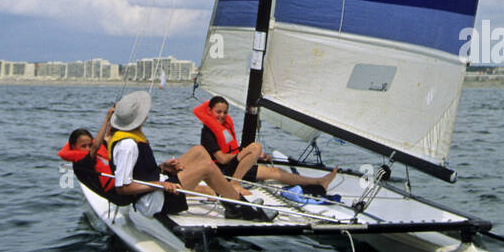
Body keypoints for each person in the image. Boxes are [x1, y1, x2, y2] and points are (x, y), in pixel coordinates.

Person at [108, 91, 272, 220]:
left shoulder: (130, 138)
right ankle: (242, 209)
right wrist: (159, 184)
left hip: (157, 188)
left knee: (199, 151)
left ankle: (227, 197)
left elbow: (139, 172)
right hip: (153, 201)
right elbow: (122, 188)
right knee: (207, 168)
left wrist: (163, 167)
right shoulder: (128, 145)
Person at [194, 97, 340, 193]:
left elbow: (232, 153)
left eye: (225, 112)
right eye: (218, 112)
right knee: (256, 147)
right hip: (222, 171)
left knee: (275, 172)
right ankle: (234, 184)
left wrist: (251, 157)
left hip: (233, 167)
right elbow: (221, 159)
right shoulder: (207, 132)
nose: (222, 115)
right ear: (210, 111)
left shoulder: (224, 126)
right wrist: (245, 154)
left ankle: (318, 182)